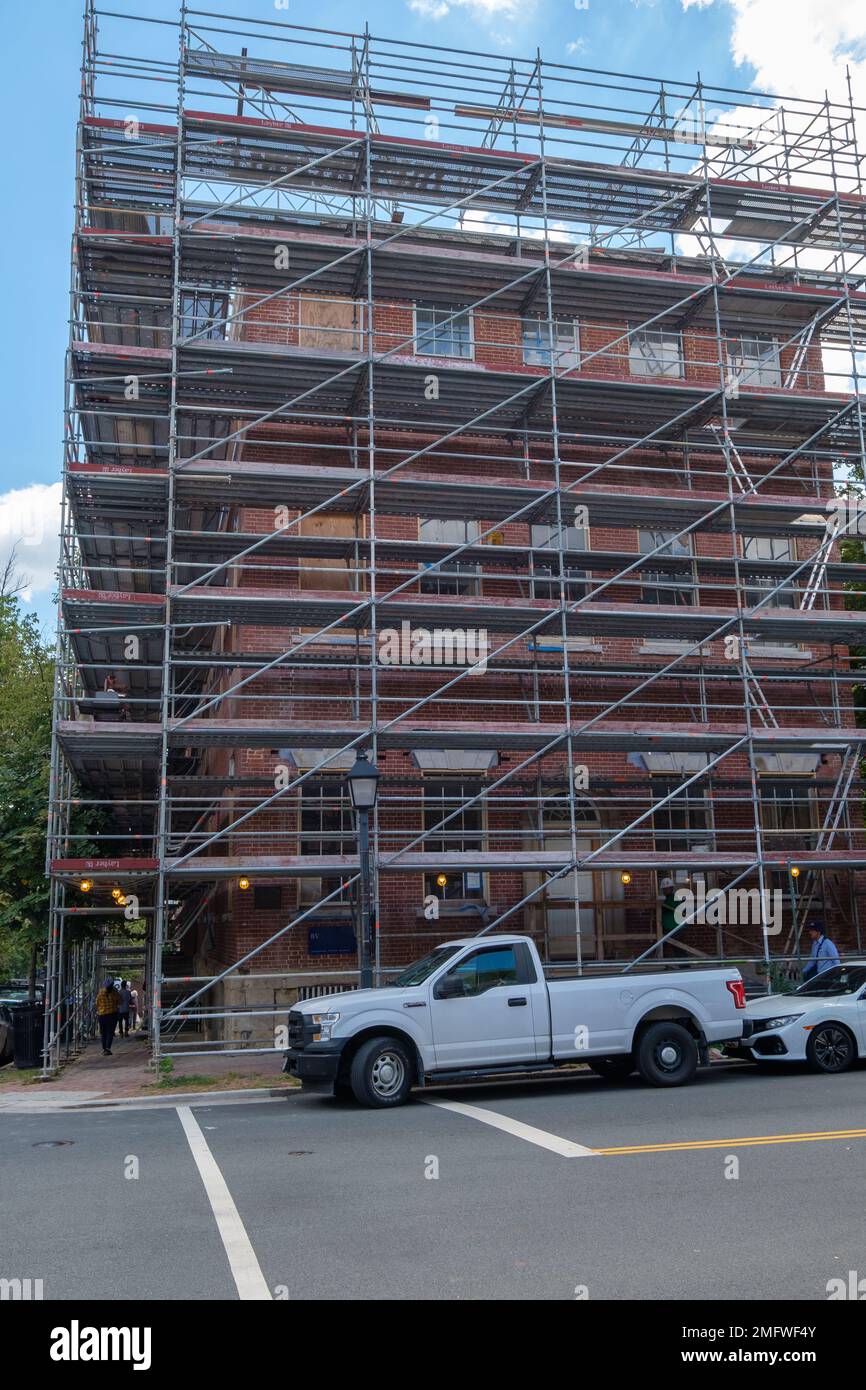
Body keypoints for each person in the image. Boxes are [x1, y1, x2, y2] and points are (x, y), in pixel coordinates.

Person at [95, 979, 121, 1056]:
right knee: (110, 1032)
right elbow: (120, 1001)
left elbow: (96, 1003)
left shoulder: (100, 993)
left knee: (103, 1033)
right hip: (112, 1014)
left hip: (102, 1015)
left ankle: (104, 1049)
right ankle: (108, 1048)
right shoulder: (114, 992)